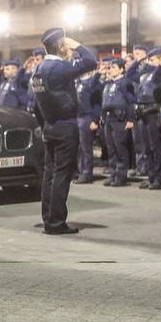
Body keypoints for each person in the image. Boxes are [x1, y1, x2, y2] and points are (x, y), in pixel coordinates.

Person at [30, 28, 98, 234]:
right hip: (65, 125)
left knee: (49, 174)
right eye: (65, 44)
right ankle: (57, 222)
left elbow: (35, 105)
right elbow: (90, 62)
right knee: (61, 175)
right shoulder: (57, 67)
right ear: (61, 46)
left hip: (49, 125)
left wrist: (45, 124)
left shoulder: (39, 69)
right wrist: (77, 45)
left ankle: (48, 218)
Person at [134, 47, 161, 190]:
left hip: (156, 112)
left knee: (157, 148)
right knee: (147, 148)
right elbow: (131, 74)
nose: (149, 62)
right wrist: (140, 62)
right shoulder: (147, 74)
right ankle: (151, 177)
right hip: (144, 112)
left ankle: (160, 178)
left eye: (152, 59)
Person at [99, 58, 135, 187]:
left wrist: (130, 119)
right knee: (111, 149)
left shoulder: (125, 83)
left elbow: (131, 102)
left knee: (120, 148)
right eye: (110, 67)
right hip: (109, 119)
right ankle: (113, 174)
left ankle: (121, 176)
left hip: (120, 119)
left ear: (121, 69)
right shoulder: (108, 84)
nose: (111, 70)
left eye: (114, 67)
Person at [127, 44, 151, 176]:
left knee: (145, 141)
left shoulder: (149, 70)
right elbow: (129, 74)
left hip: (147, 108)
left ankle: (147, 167)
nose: (136, 56)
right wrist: (136, 62)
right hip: (137, 109)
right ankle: (140, 166)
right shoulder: (139, 72)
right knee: (137, 141)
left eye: (138, 54)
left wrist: (145, 60)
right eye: (135, 54)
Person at [74, 69, 101, 184]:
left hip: (87, 117)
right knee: (79, 147)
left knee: (86, 147)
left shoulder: (94, 83)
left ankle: (87, 173)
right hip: (77, 117)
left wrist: (95, 120)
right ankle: (81, 171)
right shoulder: (78, 82)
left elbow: (97, 103)